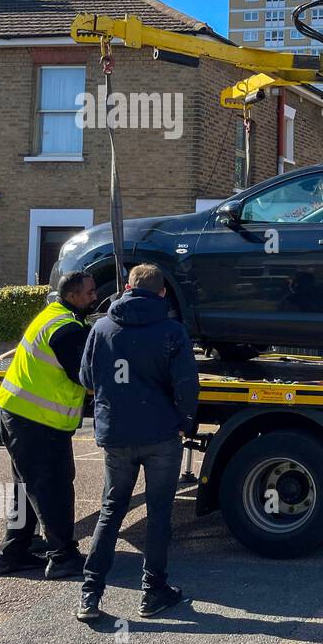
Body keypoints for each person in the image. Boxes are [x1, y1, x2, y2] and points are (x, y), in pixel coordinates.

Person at [76, 263, 199, 621]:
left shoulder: (100, 327)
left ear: (127, 288)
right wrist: (184, 423)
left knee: (111, 510)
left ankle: (90, 594)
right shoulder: (172, 331)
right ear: (162, 293)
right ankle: (153, 592)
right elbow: (187, 385)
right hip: (161, 434)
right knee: (159, 514)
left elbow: (86, 377)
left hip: (116, 433)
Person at [0, 271, 96, 579]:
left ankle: (12, 554)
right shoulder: (65, 328)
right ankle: (63, 556)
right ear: (73, 296)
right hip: (36, 421)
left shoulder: (57, 315)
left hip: (18, 413)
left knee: (27, 488)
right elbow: (85, 377)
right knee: (52, 488)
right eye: (90, 292)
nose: (94, 296)